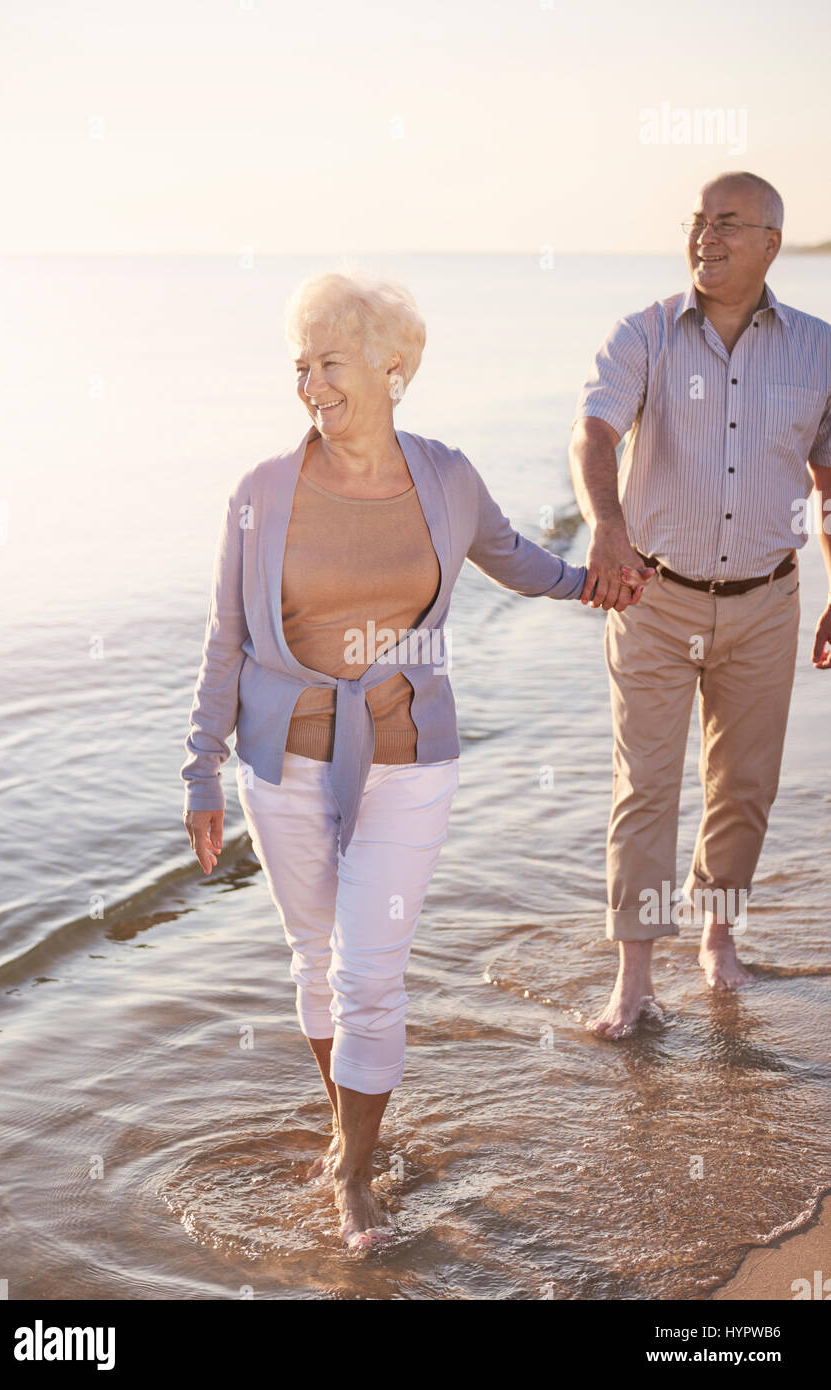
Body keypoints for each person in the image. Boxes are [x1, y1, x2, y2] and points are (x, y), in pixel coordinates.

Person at [181, 270, 647, 1249]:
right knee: (317, 960)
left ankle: (353, 1167)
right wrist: (201, 768)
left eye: (329, 362)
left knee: (372, 974)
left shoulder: (447, 477)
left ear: (393, 366)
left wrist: (590, 580)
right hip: (284, 760)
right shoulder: (261, 493)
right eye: (299, 366)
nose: (310, 384)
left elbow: (515, 556)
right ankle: (352, 1125)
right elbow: (226, 637)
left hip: (409, 754)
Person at [569, 171, 831, 1039]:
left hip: (766, 599)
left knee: (743, 785)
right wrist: (604, 526)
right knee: (643, 786)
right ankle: (633, 978)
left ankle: (717, 935)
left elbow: (827, 482)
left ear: (769, 243)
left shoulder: (817, 350)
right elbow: (595, 431)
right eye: (696, 222)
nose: (705, 237)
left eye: (727, 224)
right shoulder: (643, 333)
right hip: (652, 596)